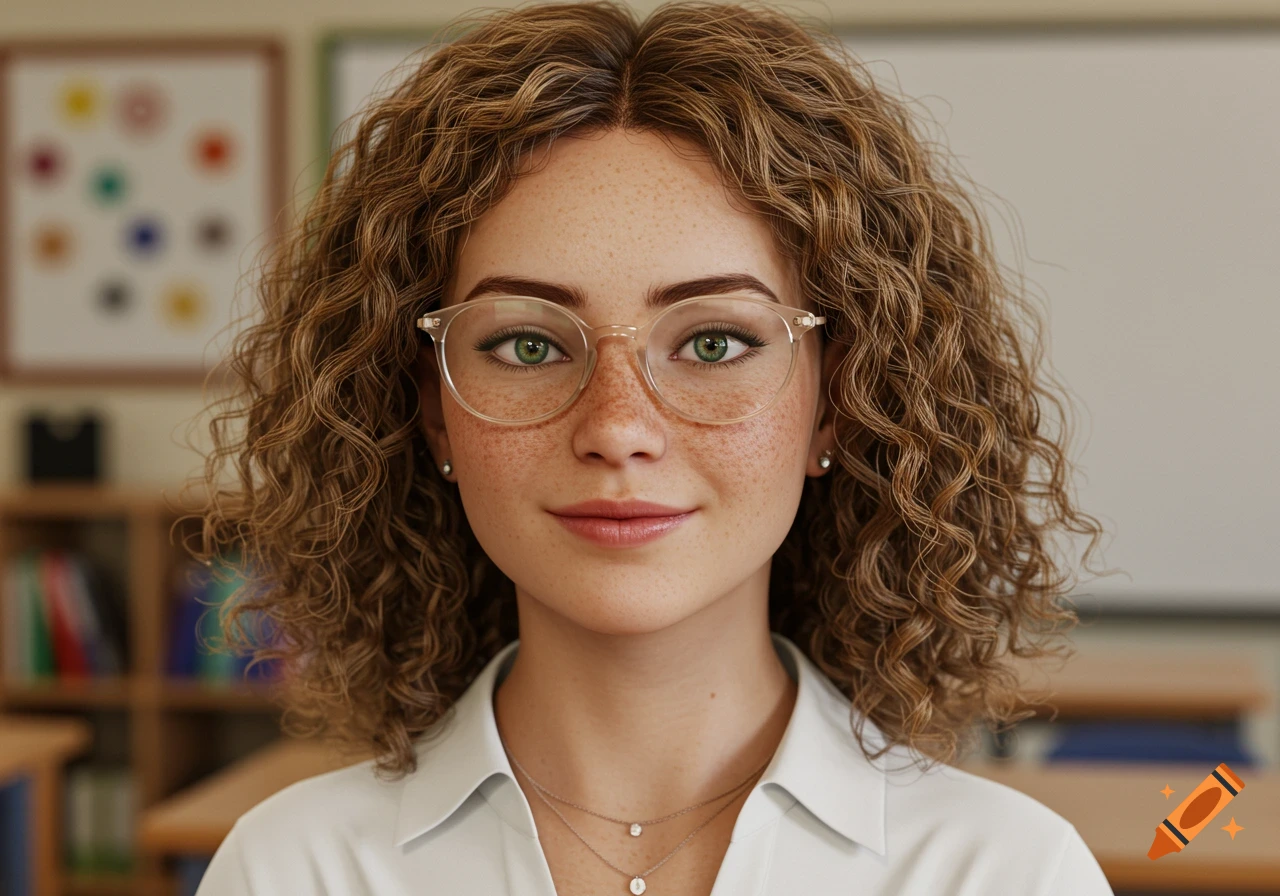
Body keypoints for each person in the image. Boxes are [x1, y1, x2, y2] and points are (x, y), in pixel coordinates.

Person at [185, 1, 1116, 893]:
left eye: (715, 343)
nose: (618, 428)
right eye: (528, 344)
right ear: (433, 410)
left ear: (837, 402)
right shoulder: (290, 872)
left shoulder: (1009, 874)